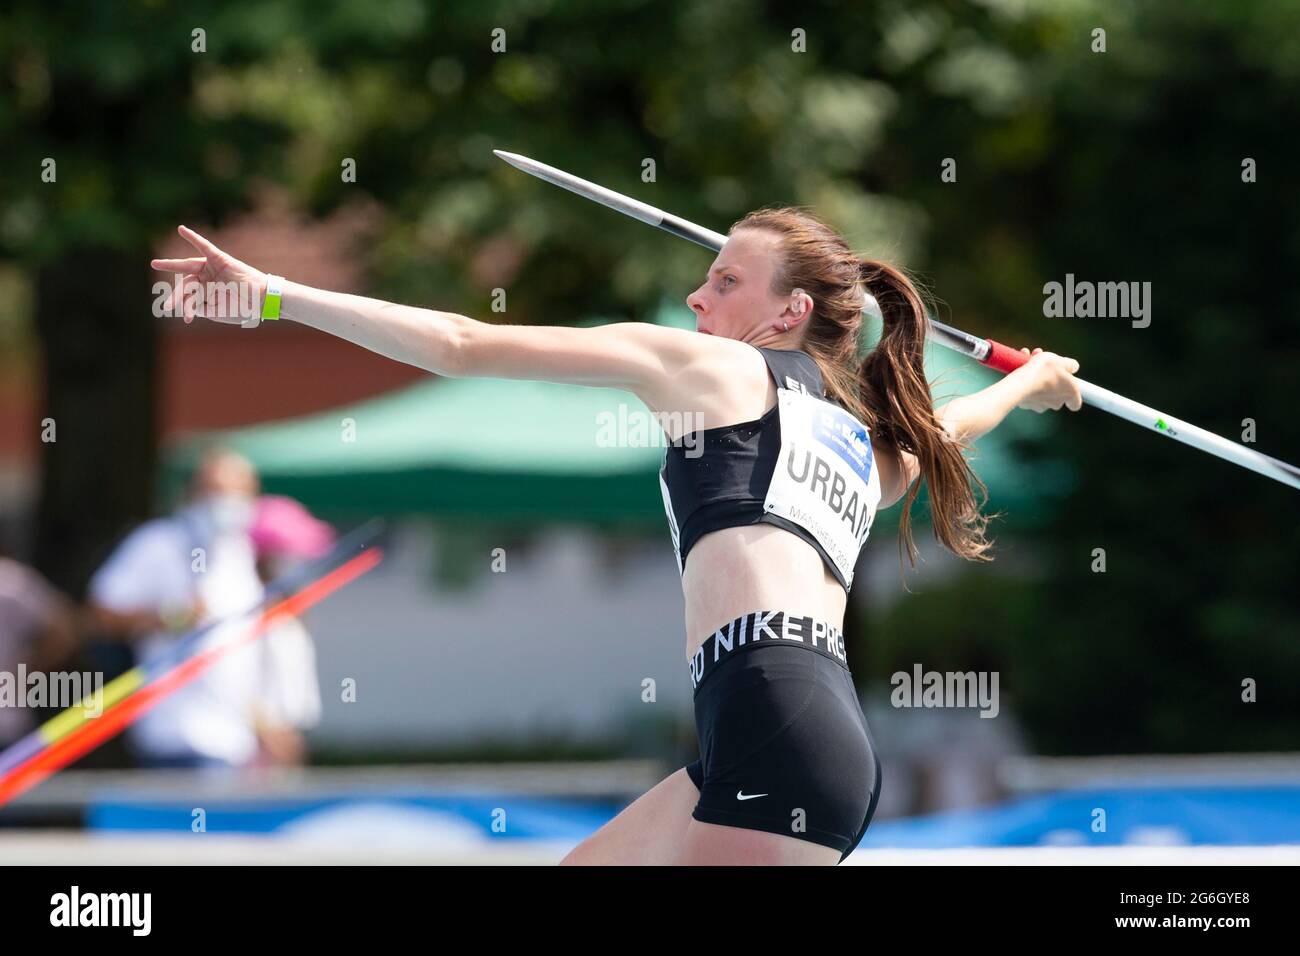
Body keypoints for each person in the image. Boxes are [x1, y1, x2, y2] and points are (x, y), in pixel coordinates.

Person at [151, 214, 1081, 864]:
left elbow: (464, 344)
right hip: (783, 728)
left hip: (773, 715)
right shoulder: (856, 445)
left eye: (725, 280)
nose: (695, 295)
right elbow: (946, 429)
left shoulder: (714, 366)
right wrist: (1029, 382)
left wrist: (272, 295)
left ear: (788, 312)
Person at [86, 448, 268, 769]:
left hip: (235, 741)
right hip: (176, 737)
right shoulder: (158, 542)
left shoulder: (240, 553)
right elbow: (100, 613)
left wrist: (265, 727)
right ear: (192, 493)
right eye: (216, 491)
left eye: (239, 492)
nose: (227, 502)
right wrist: (173, 615)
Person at [246, 495, 332, 767]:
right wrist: (265, 731)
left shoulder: (291, 612)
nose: (298, 563)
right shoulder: (248, 612)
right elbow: (238, 681)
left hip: (287, 738)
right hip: (256, 746)